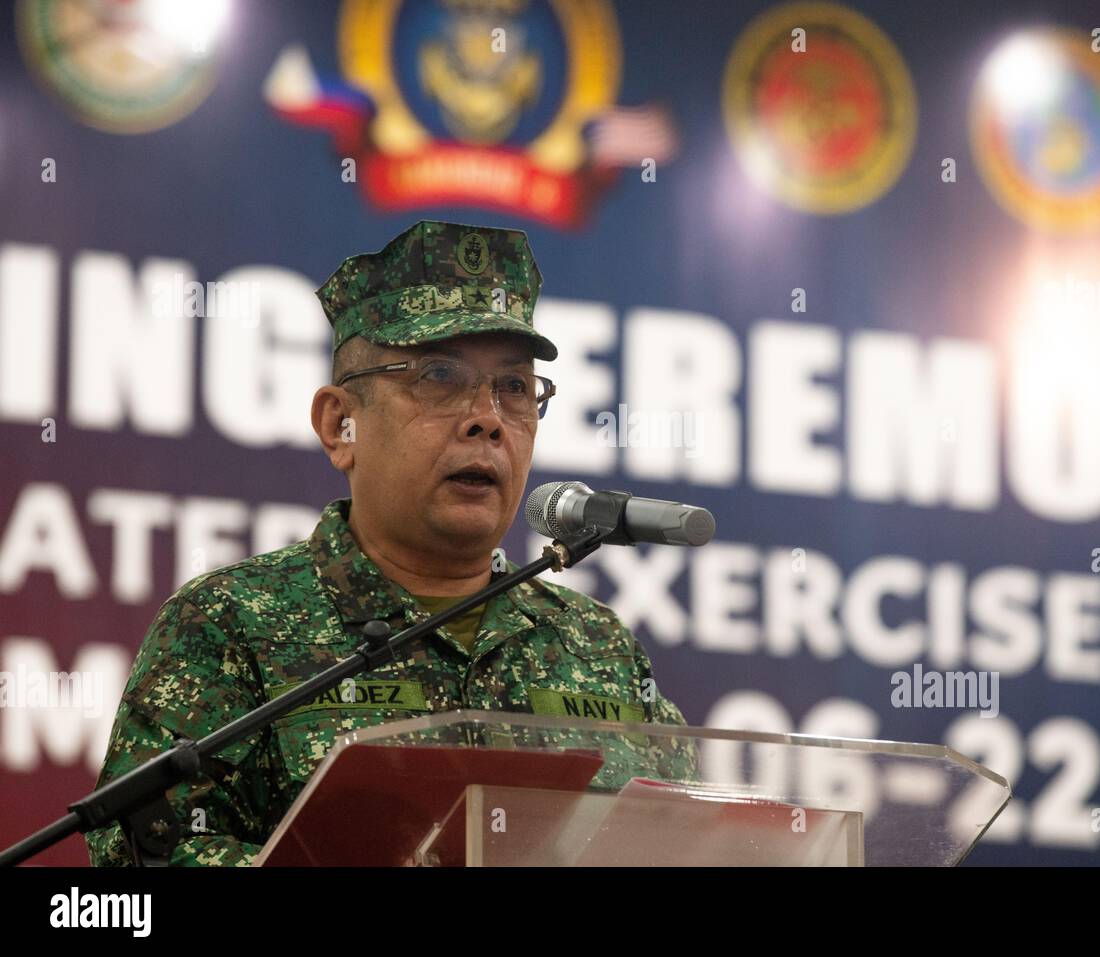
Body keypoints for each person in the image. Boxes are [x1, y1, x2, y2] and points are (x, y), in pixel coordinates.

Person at [86, 221, 688, 866]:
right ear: (339, 424)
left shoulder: (599, 647)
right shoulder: (230, 624)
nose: (487, 417)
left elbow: (686, 839)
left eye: (514, 387)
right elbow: (140, 861)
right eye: (438, 374)